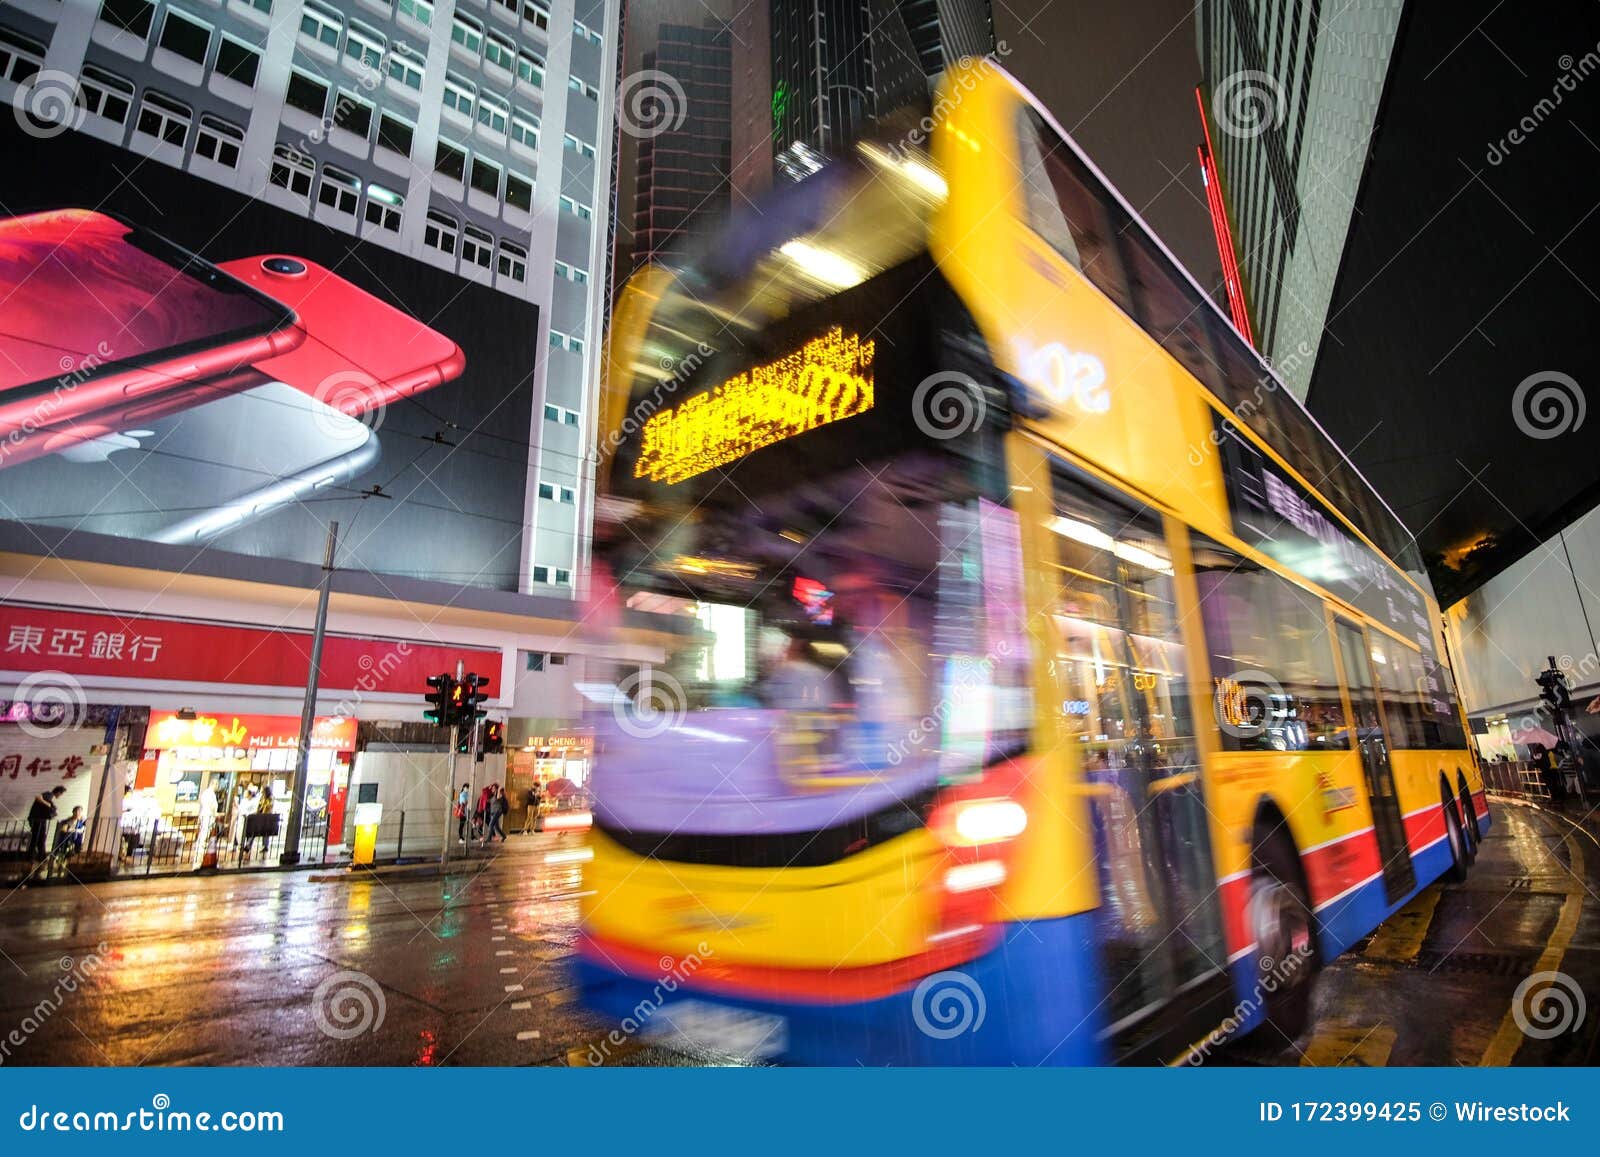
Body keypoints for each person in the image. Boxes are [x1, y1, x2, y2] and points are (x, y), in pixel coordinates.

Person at [27, 786, 66, 861]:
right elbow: (38, 797)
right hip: (37, 820)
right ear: (58, 792)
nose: (60, 796)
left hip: (40, 820)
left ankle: (41, 857)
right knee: (36, 838)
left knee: (41, 838)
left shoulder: (50, 797)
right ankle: (31, 857)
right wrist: (48, 805)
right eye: (61, 794)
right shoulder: (49, 794)